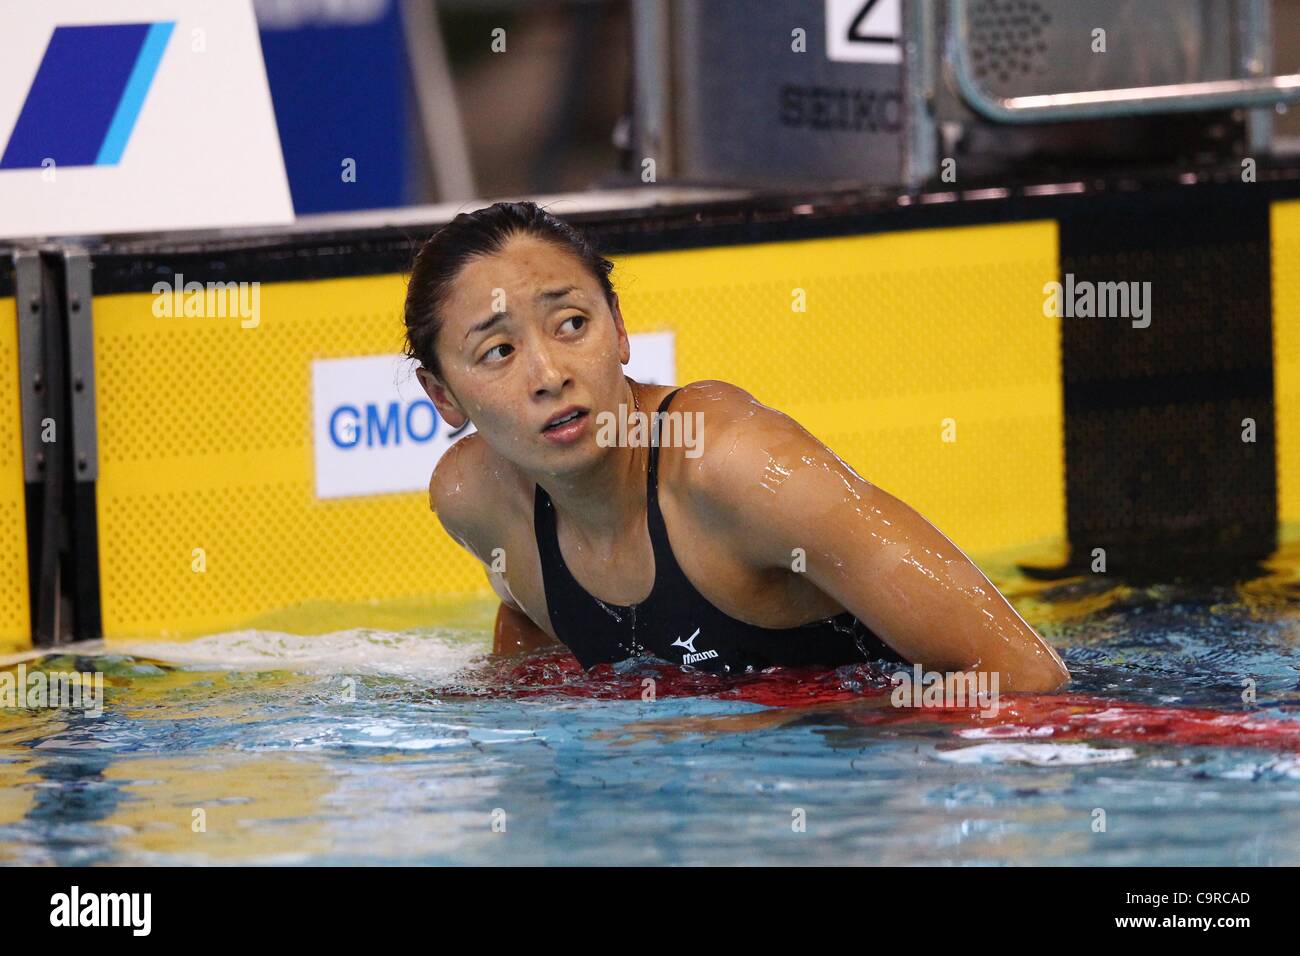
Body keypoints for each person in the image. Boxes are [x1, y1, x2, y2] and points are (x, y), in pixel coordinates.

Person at [404, 201, 1070, 692]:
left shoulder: (733, 465)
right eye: (498, 351)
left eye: (572, 323)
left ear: (621, 328)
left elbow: (1023, 674)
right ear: (443, 395)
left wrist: (806, 724)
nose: (549, 375)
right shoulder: (476, 499)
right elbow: (528, 618)